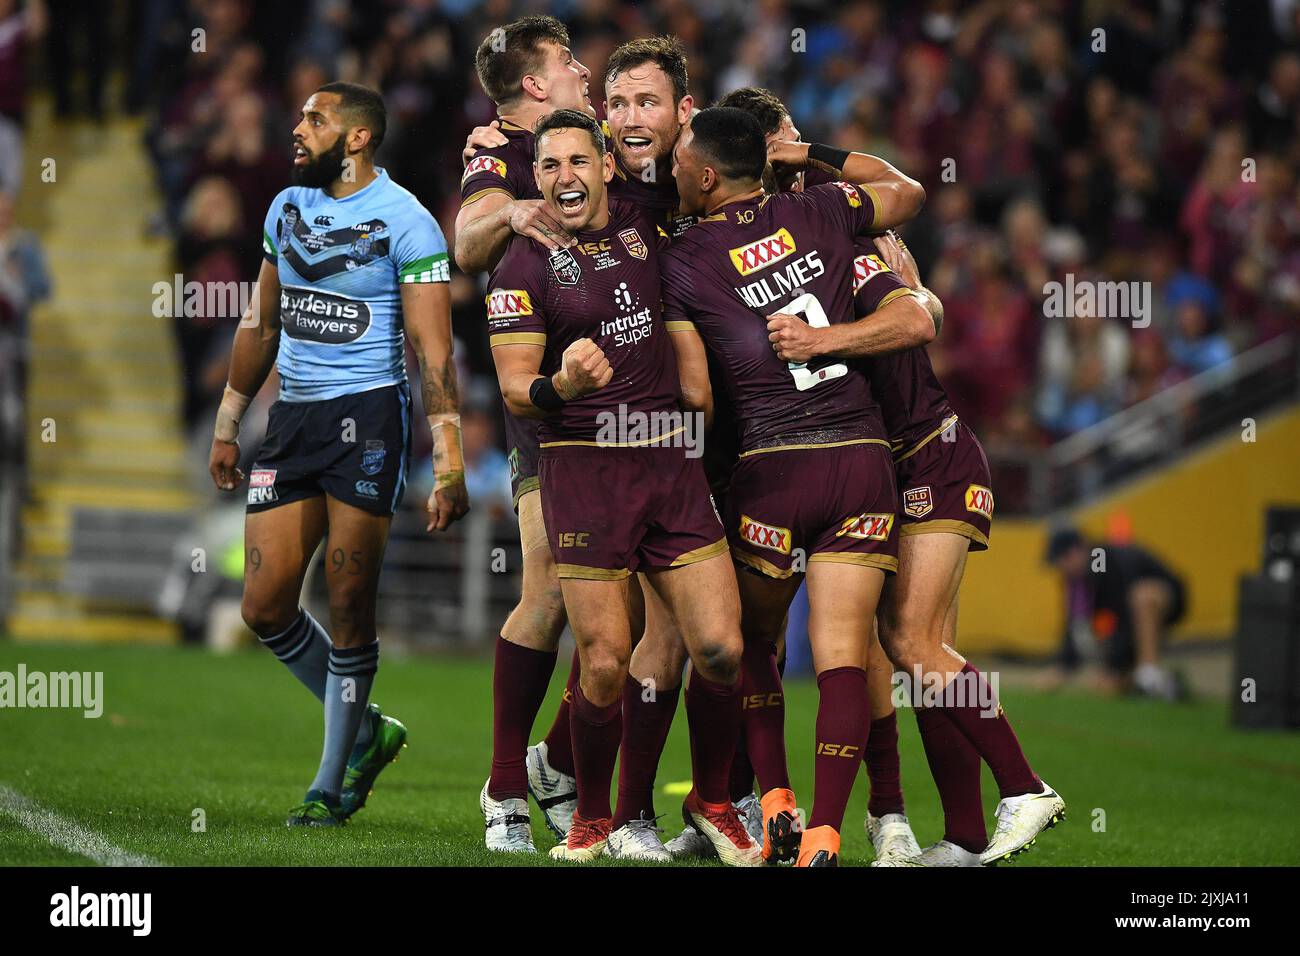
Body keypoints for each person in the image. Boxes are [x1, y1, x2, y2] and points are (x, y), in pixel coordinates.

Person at [486, 108, 760, 866]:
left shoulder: (650, 222)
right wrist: (562, 383)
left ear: (606, 165)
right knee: (604, 660)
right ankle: (594, 820)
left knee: (720, 648)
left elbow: (713, 169)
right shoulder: (522, 264)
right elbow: (515, 390)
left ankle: (709, 802)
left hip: (670, 463)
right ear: (536, 178)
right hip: (582, 468)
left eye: (579, 161)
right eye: (550, 166)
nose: (565, 177)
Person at [664, 106, 924, 866]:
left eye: (682, 159)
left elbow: (697, 395)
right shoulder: (820, 207)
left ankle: (774, 796)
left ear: (707, 176)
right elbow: (904, 191)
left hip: (770, 469)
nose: (674, 169)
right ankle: (826, 834)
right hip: (859, 457)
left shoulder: (681, 258)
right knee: (844, 653)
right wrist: (805, 152)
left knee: (752, 641)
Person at [207, 82, 468, 826]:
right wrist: (229, 420)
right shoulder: (285, 208)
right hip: (290, 420)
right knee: (263, 607)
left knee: (350, 604)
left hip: (368, 421)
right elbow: (261, 322)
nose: (297, 128)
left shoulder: (407, 221)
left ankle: (329, 784)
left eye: (314, 120)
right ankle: (372, 727)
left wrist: (446, 461)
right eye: (299, 116)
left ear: (356, 138)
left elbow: (434, 354)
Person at [454, 14, 594, 853]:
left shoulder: (597, 139)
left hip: (635, 391)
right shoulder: (498, 150)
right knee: (548, 592)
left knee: (652, 615)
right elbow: (464, 241)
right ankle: (507, 788)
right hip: (544, 393)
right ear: (535, 85)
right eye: (569, 62)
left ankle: (562, 762)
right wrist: (514, 206)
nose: (584, 70)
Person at [1046, 527, 1188, 700]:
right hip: (1133, 612)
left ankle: (1148, 673)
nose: (1061, 568)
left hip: (1165, 598)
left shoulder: (1102, 561)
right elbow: (1075, 624)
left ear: (1077, 551)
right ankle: (1135, 678)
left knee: (1142, 596)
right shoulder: (1078, 580)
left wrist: (1113, 668)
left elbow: (1123, 615)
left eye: (1063, 560)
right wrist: (1063, 666)